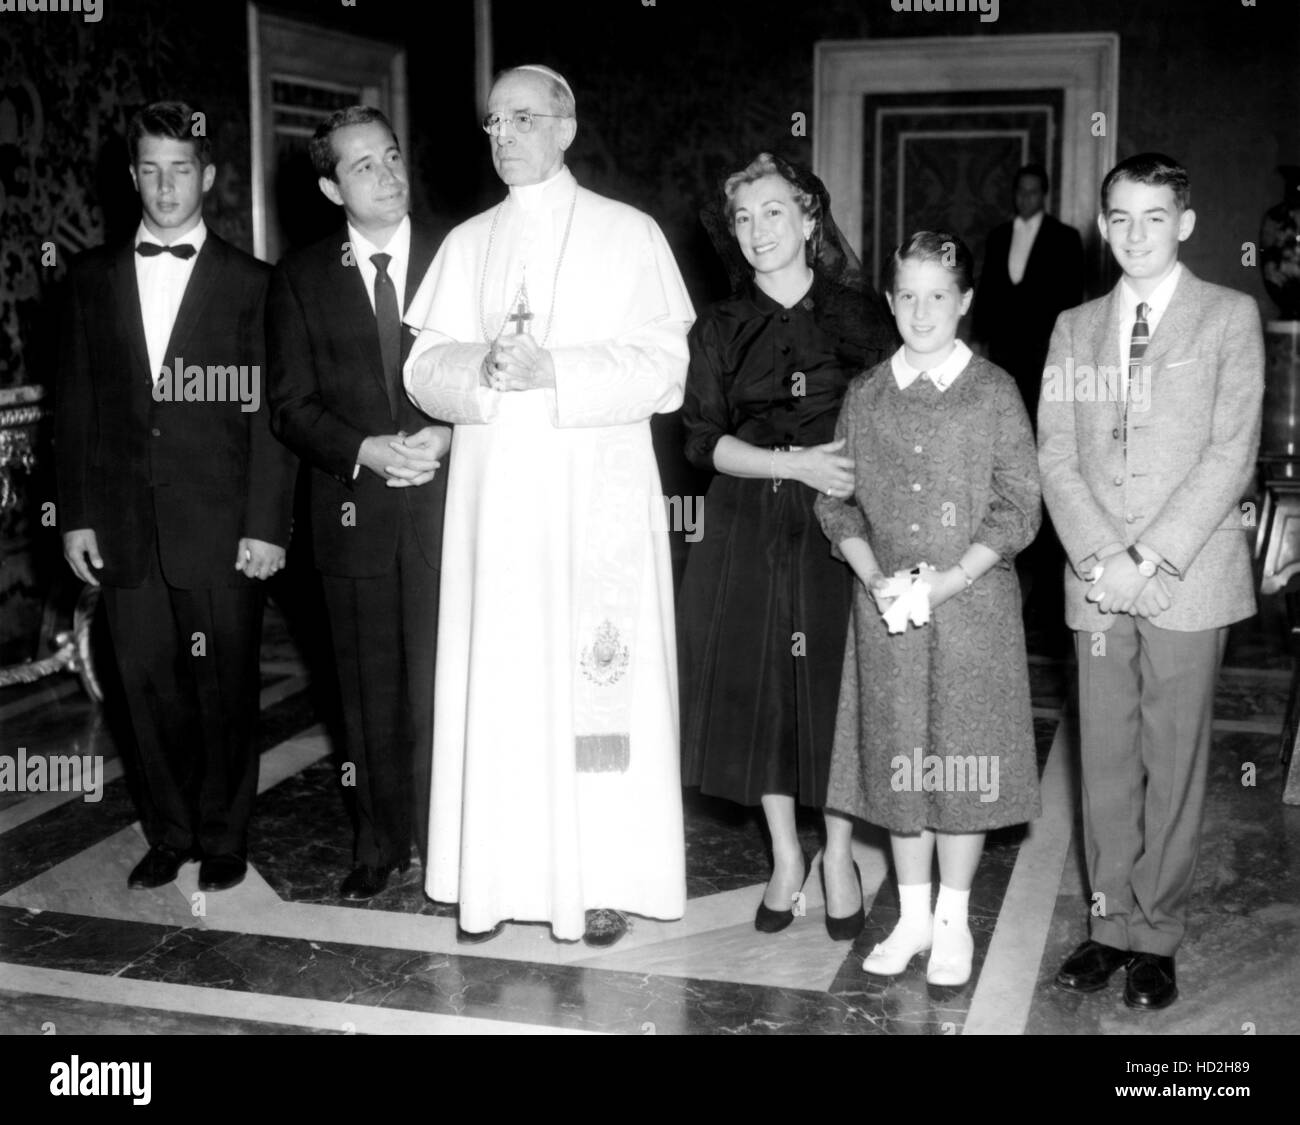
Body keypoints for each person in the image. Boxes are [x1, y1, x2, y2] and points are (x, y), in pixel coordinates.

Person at [403, 64, 693, 947]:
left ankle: (601, 873)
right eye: (493, 122)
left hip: (594, 510)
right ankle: (493, 878)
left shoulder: (627, 233)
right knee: (502, 682)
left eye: (523, 119)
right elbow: (421, 368)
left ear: (567, 128)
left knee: (596, 692)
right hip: (497, 514)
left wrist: (556, 370)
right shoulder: (467, 242)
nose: (505, 136)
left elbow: (664, 370)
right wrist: (480, 371)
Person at [1038, 153, 1263, 1011]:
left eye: (1155, 217)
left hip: (1186, 577)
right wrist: (1101, 557)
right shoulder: (1072, 326)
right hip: (1096, 578)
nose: (1137, 234)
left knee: (1173, 758)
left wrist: (1150, 557)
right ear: (1103, 225)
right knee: (1105, 756)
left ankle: (1157, 935)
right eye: (1121, 218)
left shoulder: (1227, 316)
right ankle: (1107, 924)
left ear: (1187, 223)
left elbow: (1229, 454)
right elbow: (1055, 450)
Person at [56, 100, 296, 892]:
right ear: (133, 177)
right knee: (144, 686)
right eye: (151, 171)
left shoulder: (253, 284)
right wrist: (77, 516)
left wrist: (267, 524)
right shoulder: (89, 280)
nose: (165, 187)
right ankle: (168, 830)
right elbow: (76, 407)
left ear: (210, 177)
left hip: (222, 526)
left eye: (181, 170)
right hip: (124, 525)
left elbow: (268, 416)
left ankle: (225, 837)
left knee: (224, 686)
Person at [677, 152, 896, 939]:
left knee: (834, 693)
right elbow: (703, 442)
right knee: (760, 690)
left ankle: (837, 852)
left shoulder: (860, 315)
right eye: (743, 218)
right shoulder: (719, 326)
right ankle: (783, 855)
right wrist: (787, 462)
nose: (757, 230)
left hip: (838, 526)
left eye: (773, 212)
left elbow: (893, 423)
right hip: (744, 524)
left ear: (809, 220)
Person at [816, 232, 1041, 987]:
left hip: (972, 607)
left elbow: (1018, 507)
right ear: (889, 299)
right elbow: (835, 502)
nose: (921, 310)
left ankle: (952, 919)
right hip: (888, 614)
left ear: (965, 302)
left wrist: (948, 580)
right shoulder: (867, 392)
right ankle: (911, 915)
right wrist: (875, 574)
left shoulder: (994, 390)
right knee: (899, 759)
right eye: (907, 294)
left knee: (961, 761)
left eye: (938, 295)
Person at [266, 106, 447, 900]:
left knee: (449, 686)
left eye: (393, 156)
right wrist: (368, 450)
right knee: (367, 692)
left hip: (450, 505)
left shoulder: (459, 255)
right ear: (330, 186)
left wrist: (443, 434)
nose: (387, 174)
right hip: (354, 514)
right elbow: (290, 405)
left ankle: (453, 846)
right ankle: (378, 844)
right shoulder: (302, 277)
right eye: (363, 165)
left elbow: (495, 372)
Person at [973, 163, 1084, 420]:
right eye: (1021, 190)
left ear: (1043, 195)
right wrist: (978, 336)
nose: (1025, 197)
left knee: (1037, 412)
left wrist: (1061, 342)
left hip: (1041, 346)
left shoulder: (1064, 237)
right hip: (1002, 343)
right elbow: (987, 288)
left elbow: (1072, 296)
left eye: (1032, 191)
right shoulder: (998, 236)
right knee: (1002, 410)